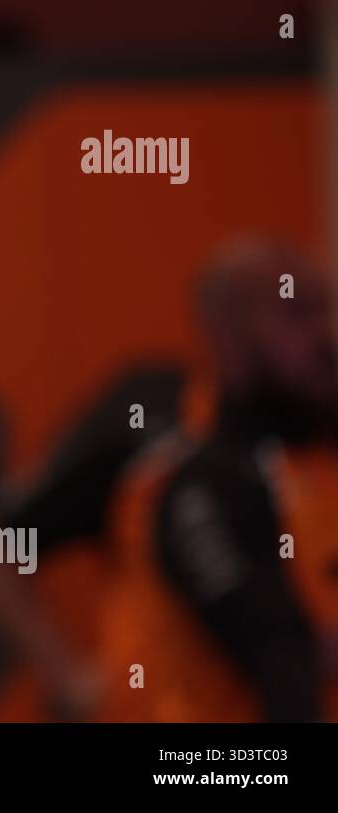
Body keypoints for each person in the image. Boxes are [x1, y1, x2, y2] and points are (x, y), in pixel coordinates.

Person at [99, 238, 338, 721]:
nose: (322, 335)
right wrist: (69, 680)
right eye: (295, 314)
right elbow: (281, 654)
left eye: (324, 311)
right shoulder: (194, 478)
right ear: (226, 334)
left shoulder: (312, 458)